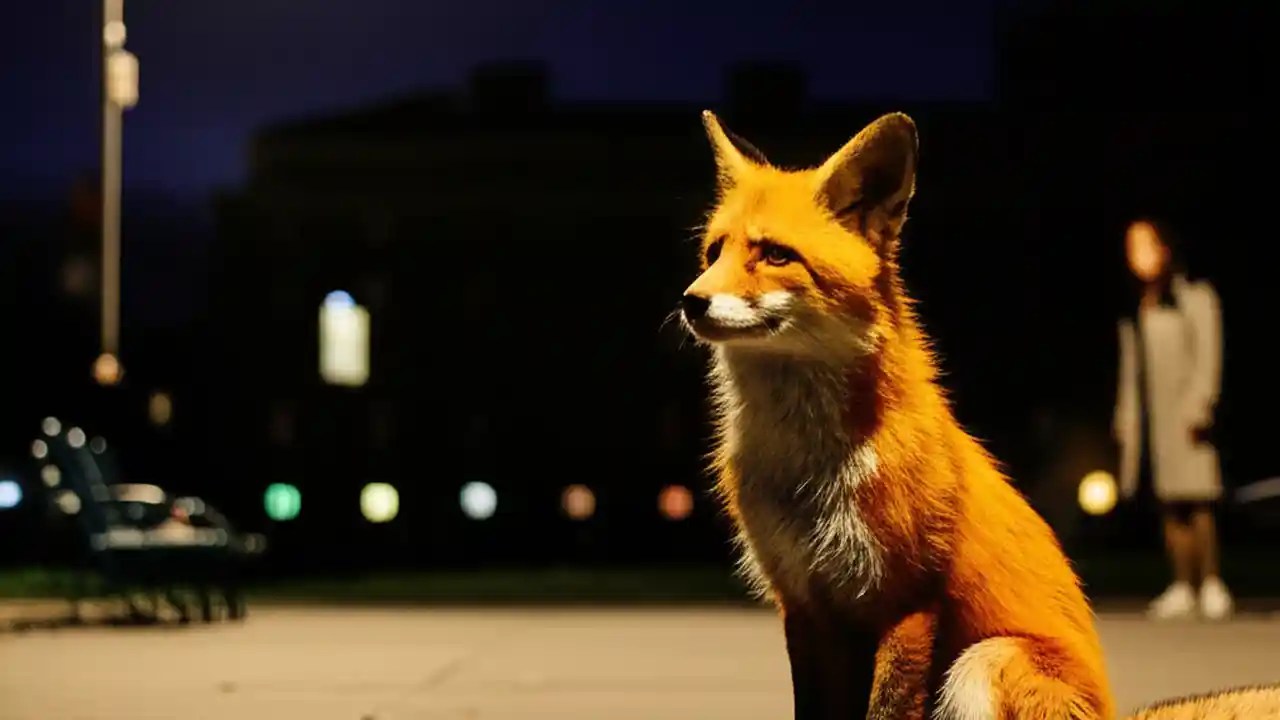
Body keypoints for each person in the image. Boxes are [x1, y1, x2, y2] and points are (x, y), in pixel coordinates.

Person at [1113, 218, 1231, 620]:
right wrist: (1126, 418)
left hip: (1187, 414)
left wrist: (1201, 404)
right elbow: (1132, 371)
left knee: (1197, 497)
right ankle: (1182, 584)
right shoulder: (1138, 307)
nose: (1138, 257)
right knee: (1168, 500)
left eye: (1145, 246)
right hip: (1155, 416)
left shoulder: (1195, 296)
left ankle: (1211, 581)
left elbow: (1208, 355)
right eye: (1132, 249)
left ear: (1164, 249)